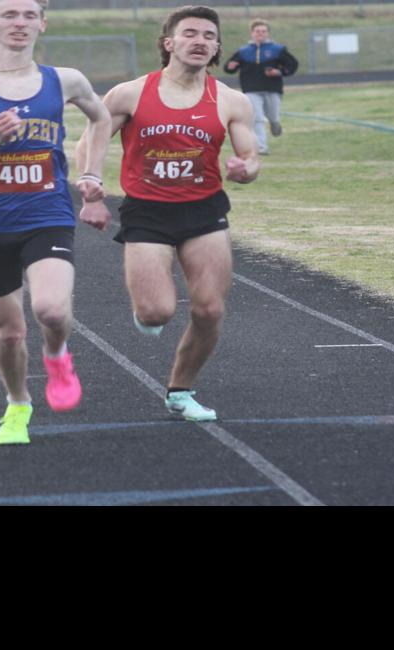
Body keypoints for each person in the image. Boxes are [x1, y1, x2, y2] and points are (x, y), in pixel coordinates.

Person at [0, 0, 113, 446]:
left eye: (29, 15)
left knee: (50, 309)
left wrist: (91, 173)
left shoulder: (64, 80)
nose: (20, 23)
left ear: (42, 23)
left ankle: (57, 353)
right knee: (10, 332)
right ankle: (18, 402)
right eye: (9, 15)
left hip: (47, 215)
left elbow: (101, 117)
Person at [77, 5, 260, 423]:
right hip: (148, 211)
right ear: (168, 43)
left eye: (209, 36)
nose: (200, 41)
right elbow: (90, 141)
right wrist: (91, 190)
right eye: (190, 33)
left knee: (210, 310)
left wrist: (244, 169)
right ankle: (147, 313)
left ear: (216, 47)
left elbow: (249, 159)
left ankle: (181, 389)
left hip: (204, 208)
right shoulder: (130, 93)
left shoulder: (231, 101)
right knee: (156, 311)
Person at [221, 20, 297, 155]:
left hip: (272, 89)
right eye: (257, 31)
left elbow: (292, 65)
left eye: (263, 31)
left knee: (273, 116)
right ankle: (261, 147)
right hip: (251, 89)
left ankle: (275, 123)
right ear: (252, 33)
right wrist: (230, 67)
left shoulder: (278, 49)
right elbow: (229, 67)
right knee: (257, 118)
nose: (260, 34)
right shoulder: (243, 51)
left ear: (267, 33)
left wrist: (279, 72)